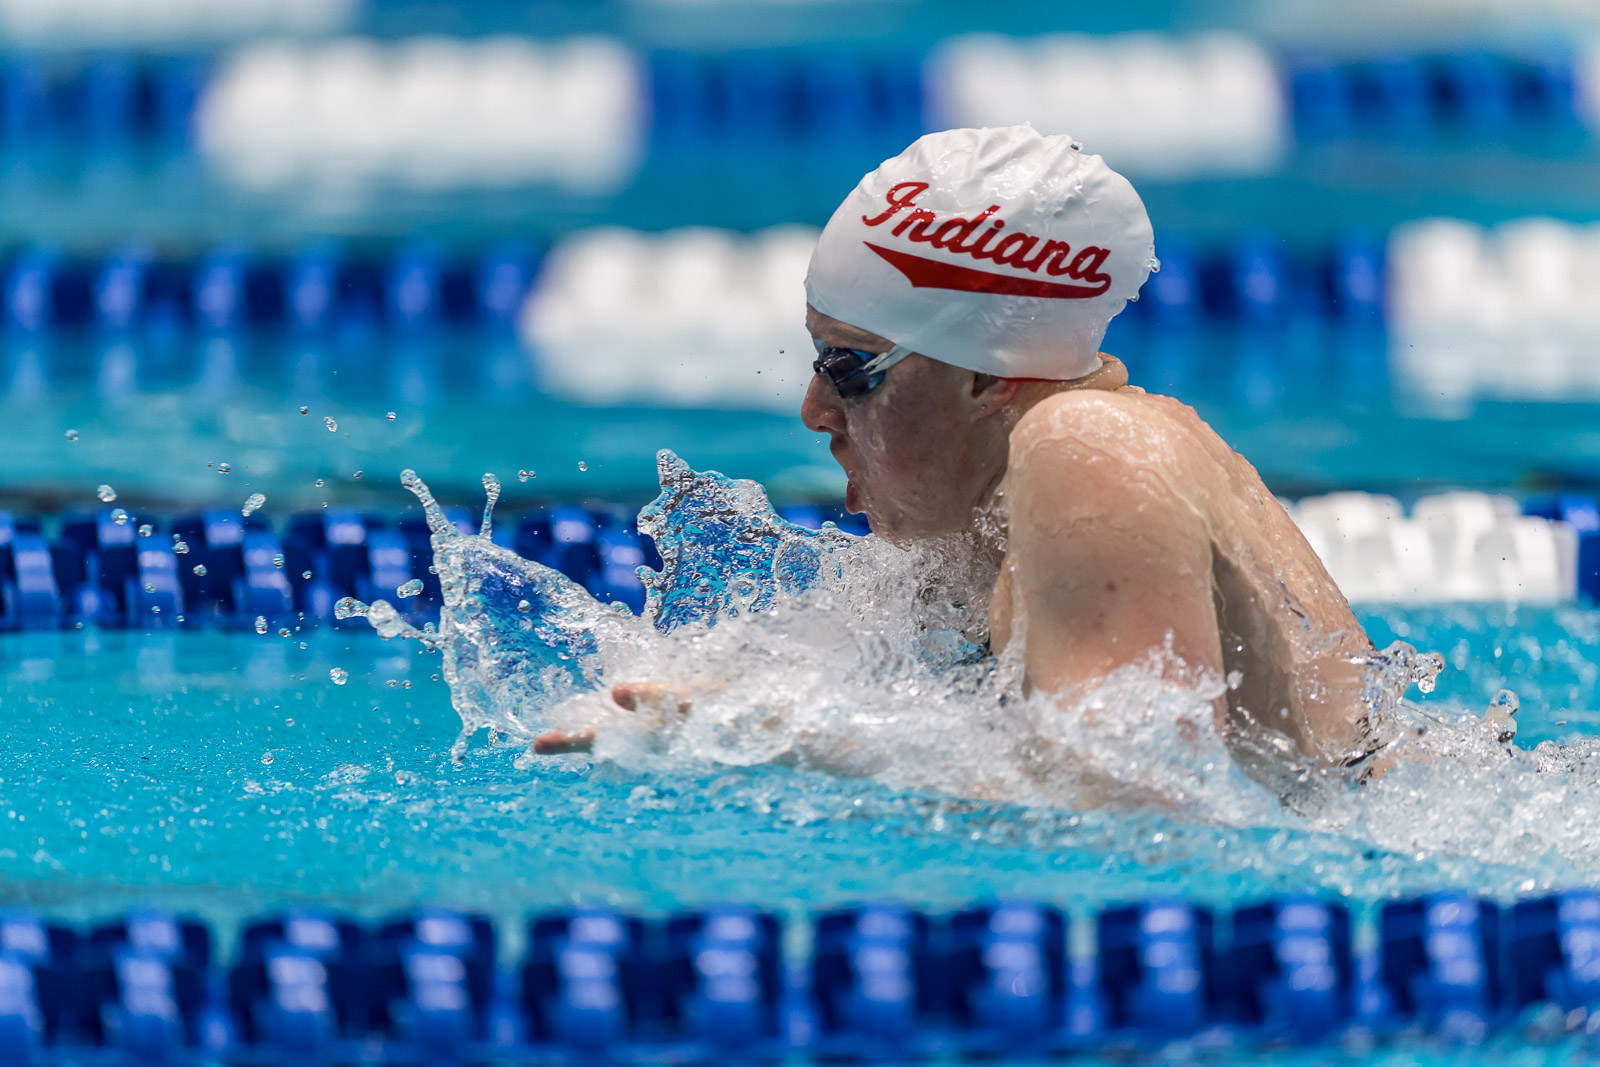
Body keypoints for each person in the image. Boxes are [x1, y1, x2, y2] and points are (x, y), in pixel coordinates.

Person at [535, 124, 1382, 776]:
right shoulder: (1002, 519)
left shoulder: (1085, 444)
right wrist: (710, 702)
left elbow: (1143, 808)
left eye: (849, 369)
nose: (814, 410)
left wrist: (793, 738)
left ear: (989, 379)